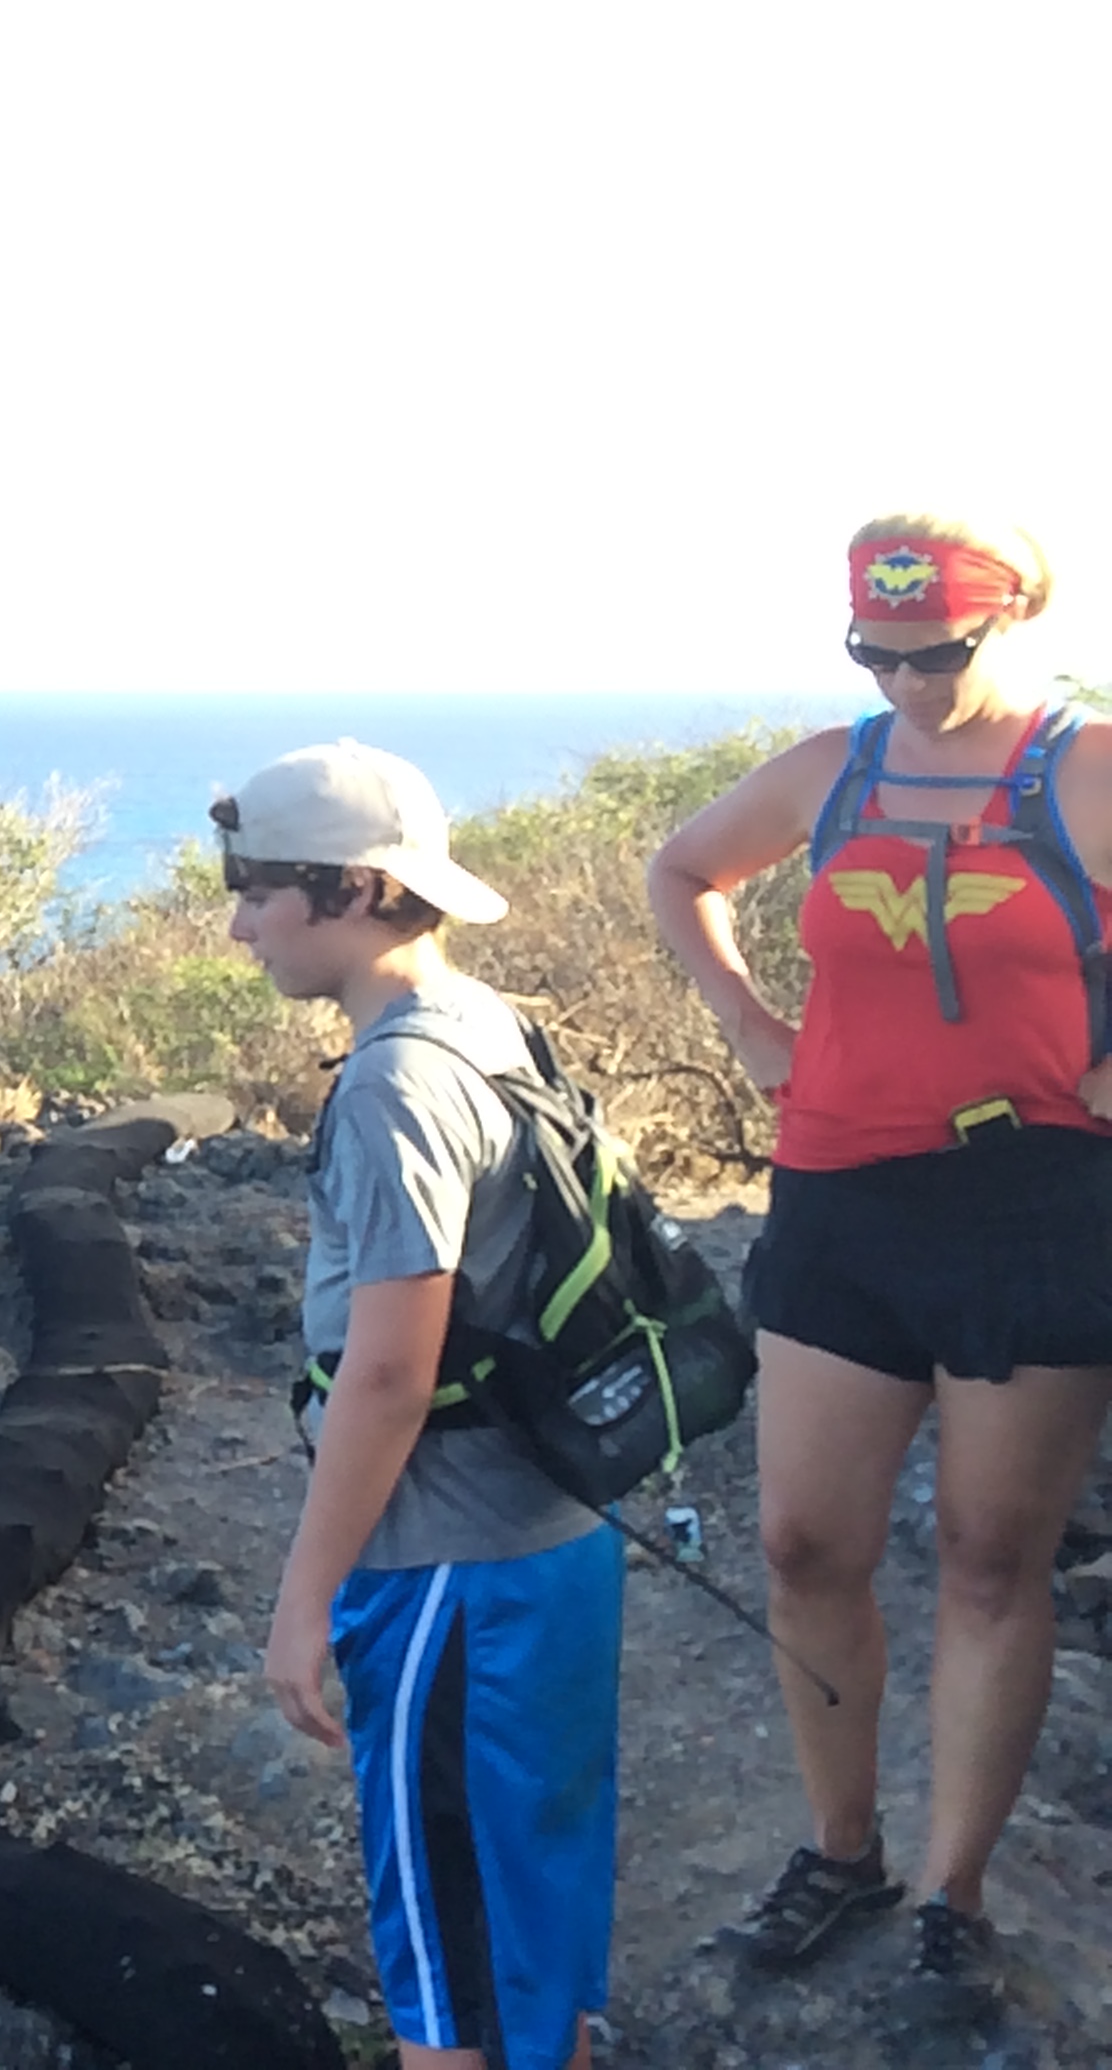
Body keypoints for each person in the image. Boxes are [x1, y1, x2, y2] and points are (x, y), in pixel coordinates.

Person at [648, 511, 1112, 2026]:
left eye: (941, 654)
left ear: (1013, 622)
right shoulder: (831, 768)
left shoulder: (1086, 769)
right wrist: (745, 1025)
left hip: (1036, 1202)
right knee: (803, 1545)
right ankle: (840, 1850)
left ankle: (952, 1893)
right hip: (842, 1192)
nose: (911, 685)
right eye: (880, 655)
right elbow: (684, 871)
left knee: (988, 1554)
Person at [223, 741, 622, 2070]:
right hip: (554, 1533)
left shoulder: (397, 1083)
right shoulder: (495, 1024)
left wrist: (302, 1599)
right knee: (533, 1898)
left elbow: (392, 1371)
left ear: (349, 890)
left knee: (447, 1950)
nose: (236, 924)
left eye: (253, 887)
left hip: (449, 1569)